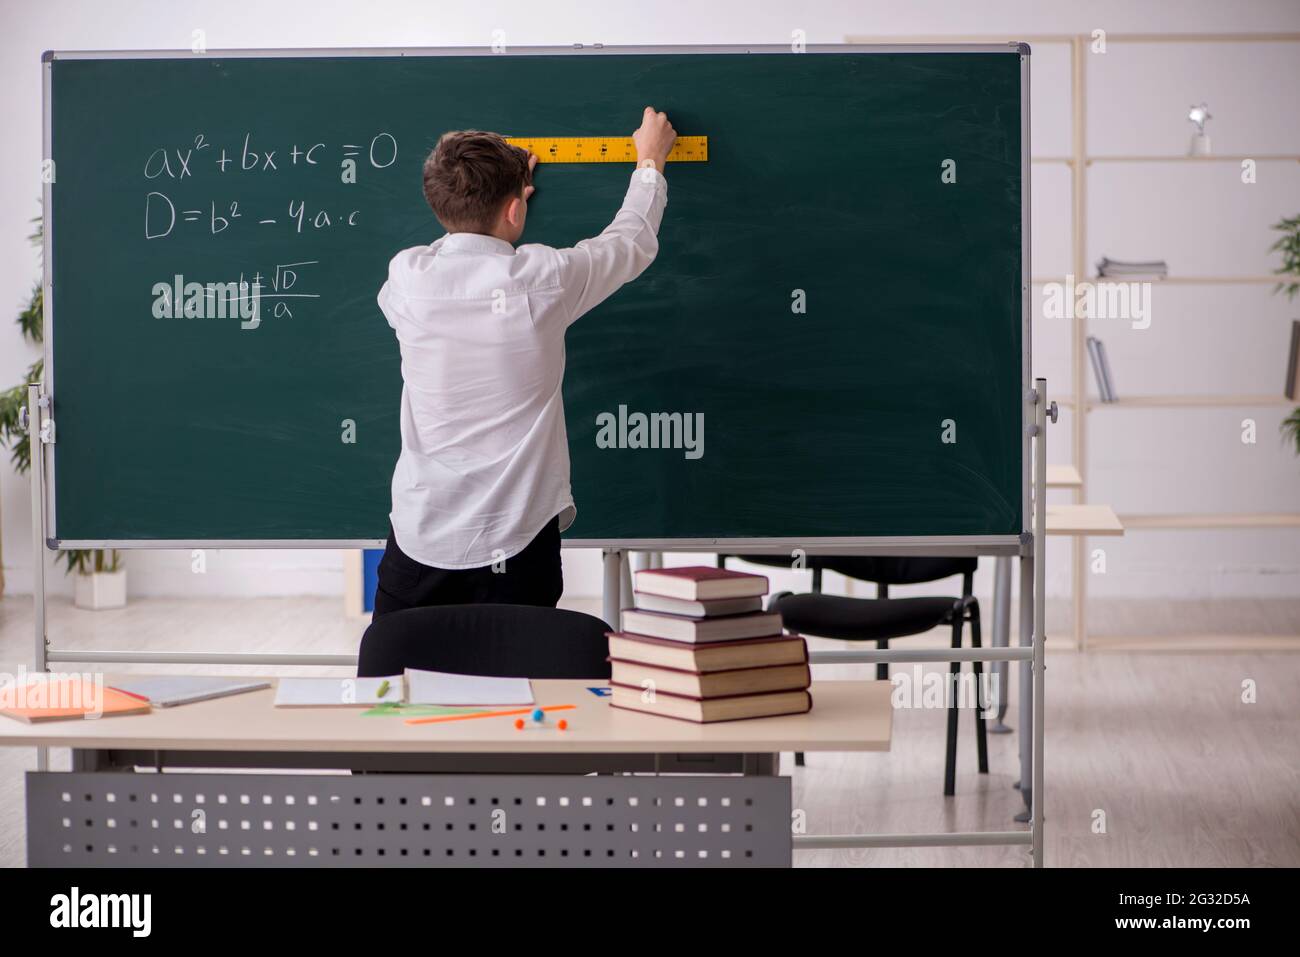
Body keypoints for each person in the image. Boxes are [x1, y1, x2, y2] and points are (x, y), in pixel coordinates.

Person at [372, 108, 676, 618]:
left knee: (399, 686)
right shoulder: (545, 280)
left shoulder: (407, 278)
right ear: (516, 211)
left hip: (421, 538)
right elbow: (628, 243)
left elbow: (452, 248)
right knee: (523, 685)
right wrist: (650, 161)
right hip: (516, 545)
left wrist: (492, 209)